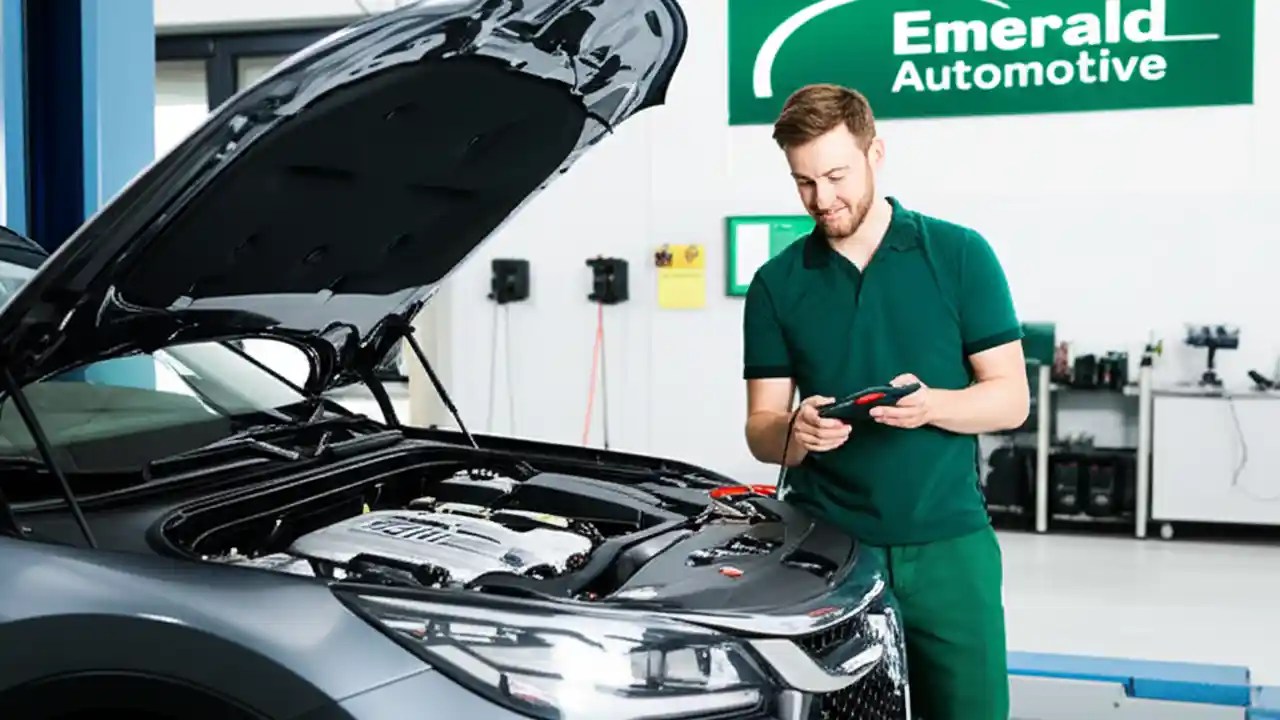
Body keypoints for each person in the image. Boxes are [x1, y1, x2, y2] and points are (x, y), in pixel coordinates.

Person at [742, 83, 1029, 720]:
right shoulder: (776, 285)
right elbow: (761, 429)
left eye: (836, 175)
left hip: (949, 546)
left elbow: (1011, 400)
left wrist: (933, 407)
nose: (823, 199)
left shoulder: (958, 255)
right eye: (803, 182)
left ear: (876, 152)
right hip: (828, 552)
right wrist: (797, 430)